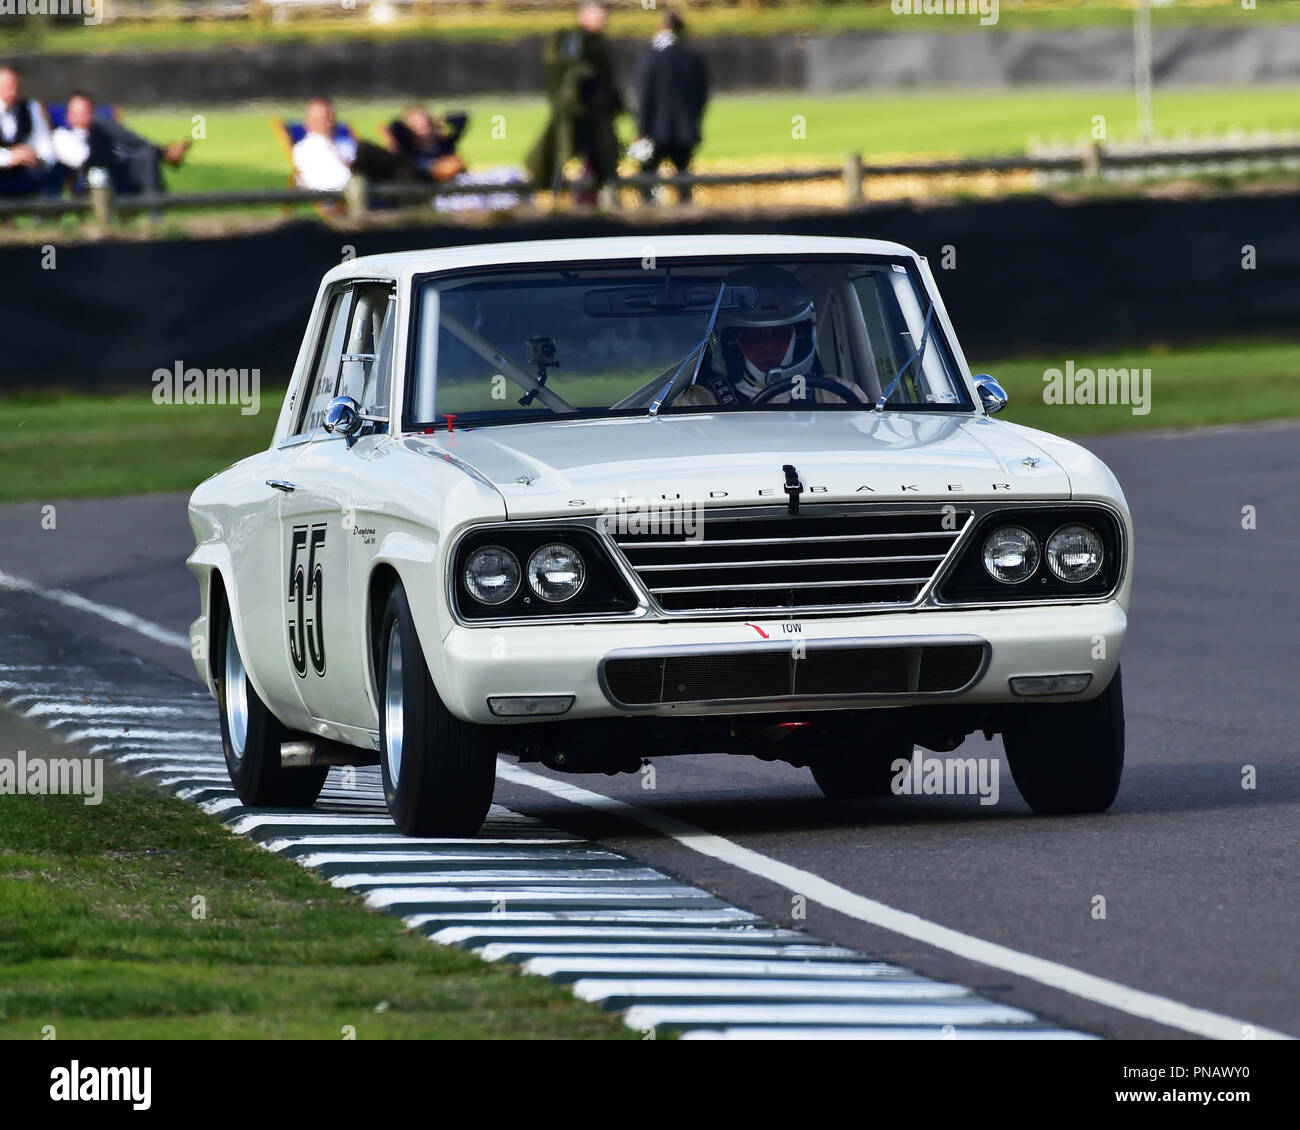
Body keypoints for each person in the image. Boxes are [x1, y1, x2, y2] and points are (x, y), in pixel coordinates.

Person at [677, 266, 863, 408]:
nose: (769, 346)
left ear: (799, 337)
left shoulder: (840, 396)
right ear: (732, 343)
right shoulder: (697, 404)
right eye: (753, 337)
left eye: (780, 334)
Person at [526, 0, 626, 205]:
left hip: (593, 116)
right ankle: (558, 203)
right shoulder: (574, 40)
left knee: (601, 163)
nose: (603, 19)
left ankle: (596, 202)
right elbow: (574, 75)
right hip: (577, 116)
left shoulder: (594, 42)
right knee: (563, 156)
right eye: (597, 13)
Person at [633, 8, 709, 204]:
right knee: (684, 184)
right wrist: (694, 122)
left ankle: (648, 218)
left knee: (646, 181)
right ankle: (687, 223)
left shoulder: (650, 57)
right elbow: (702, 97)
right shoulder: (694, 58)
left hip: (655, 131)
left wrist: (641, 129)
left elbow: (644, 96)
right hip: (685, 131)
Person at [51, 91, 191, 196]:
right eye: (80, 113)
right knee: (102, 124)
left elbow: (125, 150)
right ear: (69, 117)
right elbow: (82, 159)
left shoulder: (107, 131)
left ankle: (155, 215)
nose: (86, 117)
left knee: (148, 155)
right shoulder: (62, 136)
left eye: (88, 112)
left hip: (119, 170)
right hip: (92, 173)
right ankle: (164, 152)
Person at [292, 97, 420, 192]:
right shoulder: (305, 148)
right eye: (324, 118)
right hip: (347, 187)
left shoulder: (345, 142)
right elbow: (319, 180)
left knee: (402, 165)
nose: (329, 121)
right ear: (308, 123)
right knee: (366, 149)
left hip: (368, 180)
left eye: (331, 116)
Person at [0, 64, 56, 198]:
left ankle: (46, 212)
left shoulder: (31, 108)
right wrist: (10, 157)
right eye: (7, 86)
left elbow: (44, 142)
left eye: (15, 86)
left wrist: (36, 157)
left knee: (55, 171)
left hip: (25, 172)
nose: (12, 91)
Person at [384, 104, 468, 183]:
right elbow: (395, 126)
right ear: (407, 128)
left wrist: (440, 120)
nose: (421, 126)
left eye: (425, 122)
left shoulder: (444, 143)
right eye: (415, 124)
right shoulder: (409, 150)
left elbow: (461, 117)